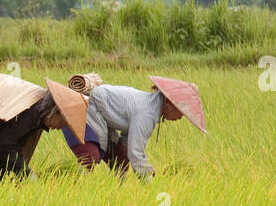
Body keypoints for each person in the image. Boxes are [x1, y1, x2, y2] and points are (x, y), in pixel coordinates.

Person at [61, 75, 207, 179]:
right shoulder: (147, 113)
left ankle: (117, 194)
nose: (181, 117)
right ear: (170, 104)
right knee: (90, 157)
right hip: (84, 108)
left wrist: (124, 155)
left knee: (121, 159)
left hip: (100, 116)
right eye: (181, 112)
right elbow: (136, 152)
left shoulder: (151, 107)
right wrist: (149, 181)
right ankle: (70, 188)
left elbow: (128, 141)